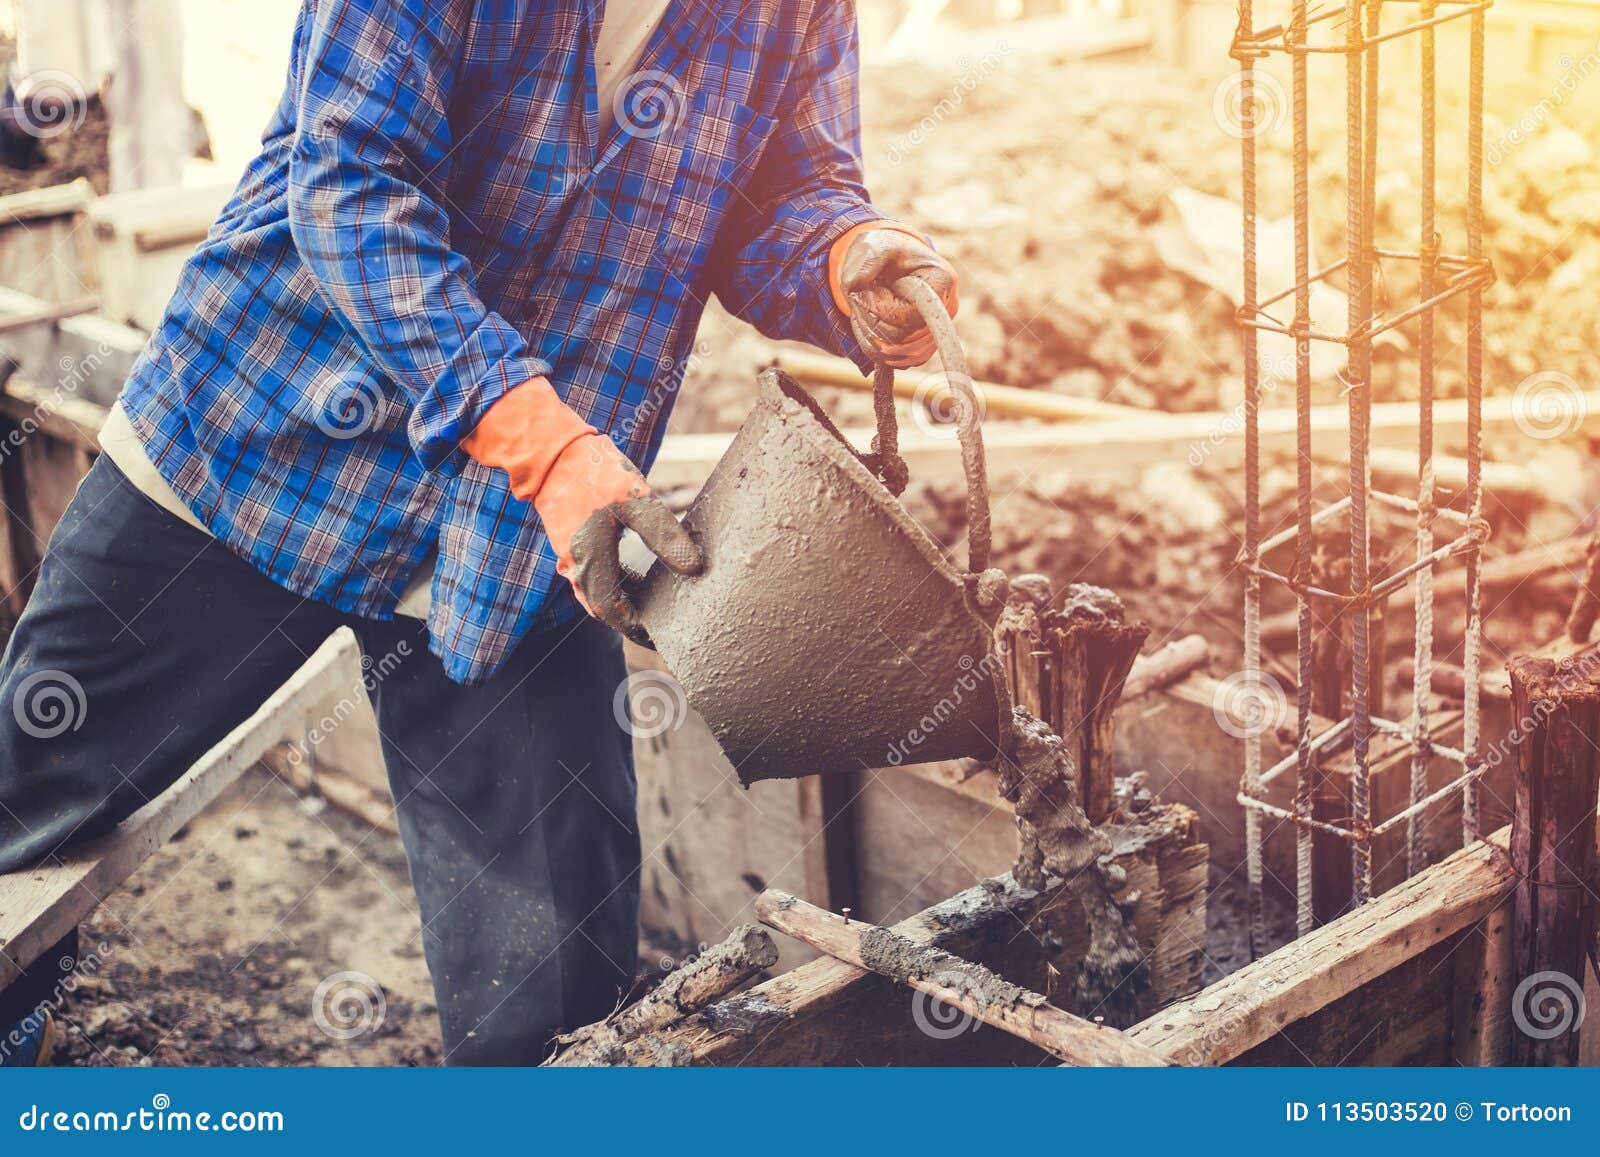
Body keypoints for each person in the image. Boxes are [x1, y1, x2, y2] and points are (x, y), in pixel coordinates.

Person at [0, 0, 956, 1065]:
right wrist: (540, 441)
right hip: (253, 438)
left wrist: (840, 256)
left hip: (524, 543)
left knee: (554, 1003)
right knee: (22, 806)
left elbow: (785, 190)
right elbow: (353, 185)